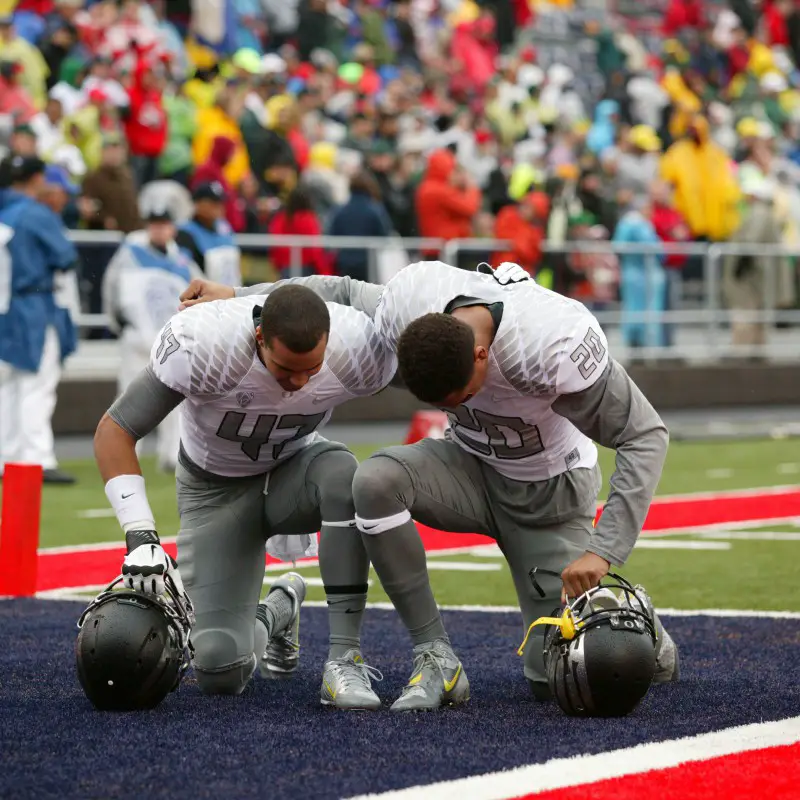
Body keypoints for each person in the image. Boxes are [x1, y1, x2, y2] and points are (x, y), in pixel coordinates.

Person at [179, 261, 679, 711]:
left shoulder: (550, 344)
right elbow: (339, 293)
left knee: (560, 678)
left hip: (546, 491)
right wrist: (244, 295)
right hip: (465, 464)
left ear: (483, 356)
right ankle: (436, 655)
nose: (454, 404)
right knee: (375, 481)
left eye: (462, 395)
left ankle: (633, 615)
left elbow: (644, 435)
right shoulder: (414, 300)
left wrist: (604, 550)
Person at [93, 284, 396, 707]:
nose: (298, 382)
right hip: (215, 491)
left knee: (345, 475)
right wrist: (141, 535)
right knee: (220, 670)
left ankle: (344, 658)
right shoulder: (205, 343)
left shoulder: (356, 347)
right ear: (259, 338)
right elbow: (115, 430)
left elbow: (441, 379)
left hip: (295, 473)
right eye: (285, 369)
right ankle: (279, 608)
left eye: (311, 369)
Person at [102, 205, 201, 473]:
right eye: (154, 224)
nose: (158, 229)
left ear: (172, 228)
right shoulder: (130, 254)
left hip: (170, 341)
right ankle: (124, 454)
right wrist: (117, 320)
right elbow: (111, 285)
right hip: (137, 337)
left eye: (163, 224)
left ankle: (172, 455)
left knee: (175, 398)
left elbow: (198, 295)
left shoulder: (183, 261)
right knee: (128, 396)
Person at [0, 156, 78, 484]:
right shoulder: (35, 213)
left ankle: (7, 458)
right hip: (32, 303)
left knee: (7, 386)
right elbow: (66, 256)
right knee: (37, 384)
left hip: (5, 305)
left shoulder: (4, 212)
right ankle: (37, 459)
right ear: (35, 178)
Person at [175, 182, 242, 287]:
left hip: (229, 292)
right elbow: (184, 269)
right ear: (197, 204)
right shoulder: (185, 233)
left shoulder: (224, 227)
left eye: (221, 202)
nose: (219, 207)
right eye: (213, 203)